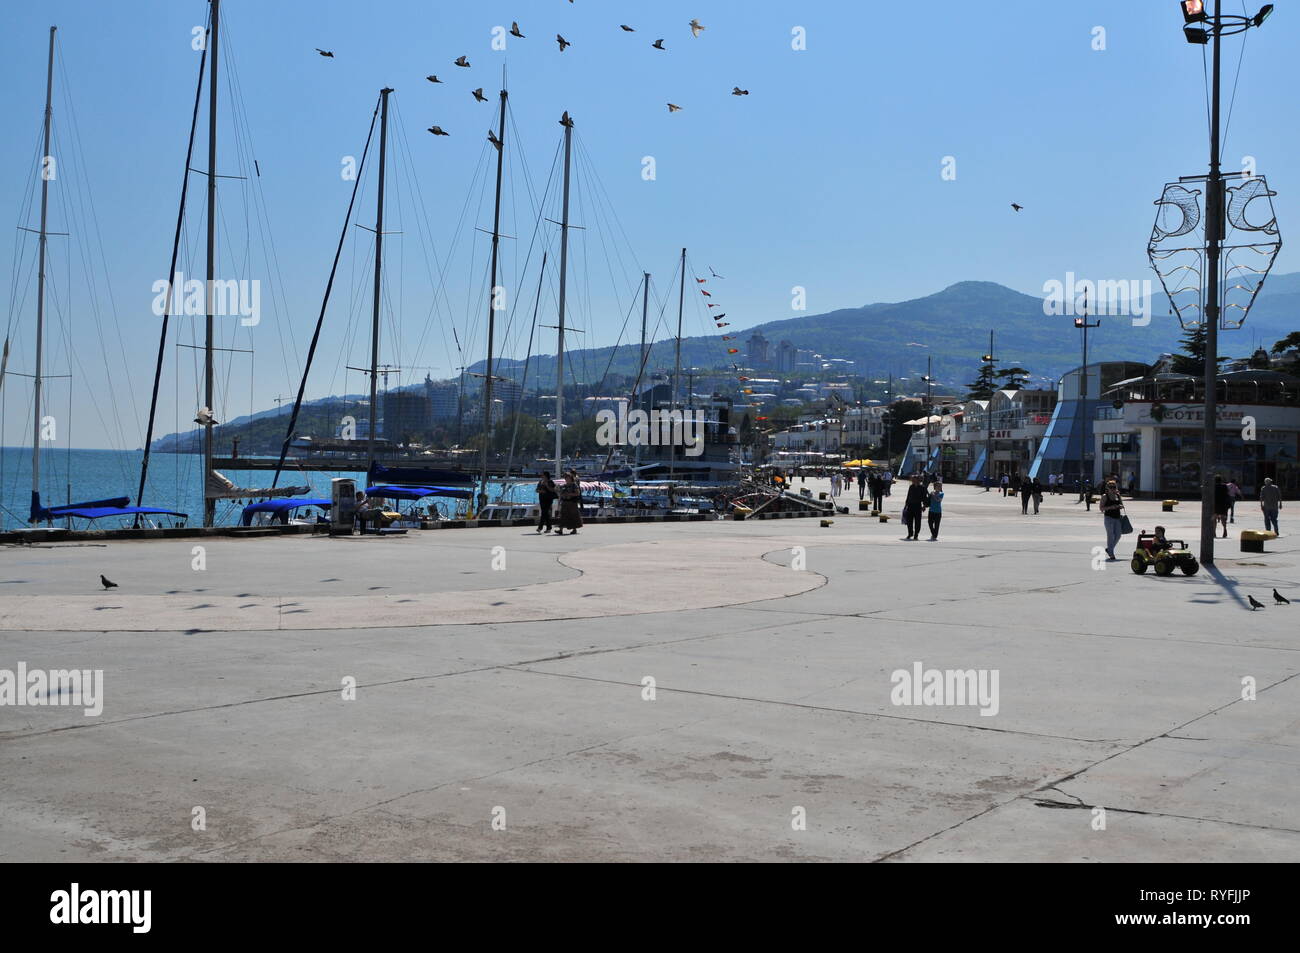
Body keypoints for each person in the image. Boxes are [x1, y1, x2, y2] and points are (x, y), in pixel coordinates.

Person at [1101, 477, 1125, 560]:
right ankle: (1111, 553)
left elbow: (1122, 505)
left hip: (1117, 518)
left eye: (1114, 487)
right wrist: (1111, 507)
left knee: (1118, 535)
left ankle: (1109, 549)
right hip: (1108, 518)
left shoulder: (1118, 495)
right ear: (1107, 488)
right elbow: (1101, 508)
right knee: (1110, 535)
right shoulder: (1105, 496)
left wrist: (1119, 506)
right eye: (1110, 487)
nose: (1112, 489)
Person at [902, 473, 929, 541]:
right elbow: (908, 496)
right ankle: (910, 533)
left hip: (917, 506)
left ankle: (916, 534)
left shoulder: (922, 488)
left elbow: (924, 498)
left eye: (914, 479)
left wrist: (924, 506)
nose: (913, 480)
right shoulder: (911, 487)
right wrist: (906, 505)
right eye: (913, 479)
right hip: (910, 505)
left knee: (917, 521)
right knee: (909, 521)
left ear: (918, 480)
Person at [557, 471, 583, 535]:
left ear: (571, 478)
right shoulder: (564, 485)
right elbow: (560, 493)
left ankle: (574, 529)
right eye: (566, 478)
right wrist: (562, 494)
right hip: (565, 502)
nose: (566, 479)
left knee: (573, 516)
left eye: (568, 478)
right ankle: (560, 529)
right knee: (563, 515)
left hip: (572, 502)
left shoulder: (574, 485)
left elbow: (577, 493)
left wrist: (569, 494)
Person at [1213, 474, 1229, 539]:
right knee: (1223, 519)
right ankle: (1225, 529)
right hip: (1223, 504)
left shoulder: (1213, 486)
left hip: (1215, 504)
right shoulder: (1224, 486)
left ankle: (1214, 532)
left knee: (1214, 519)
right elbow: (1227, 493)